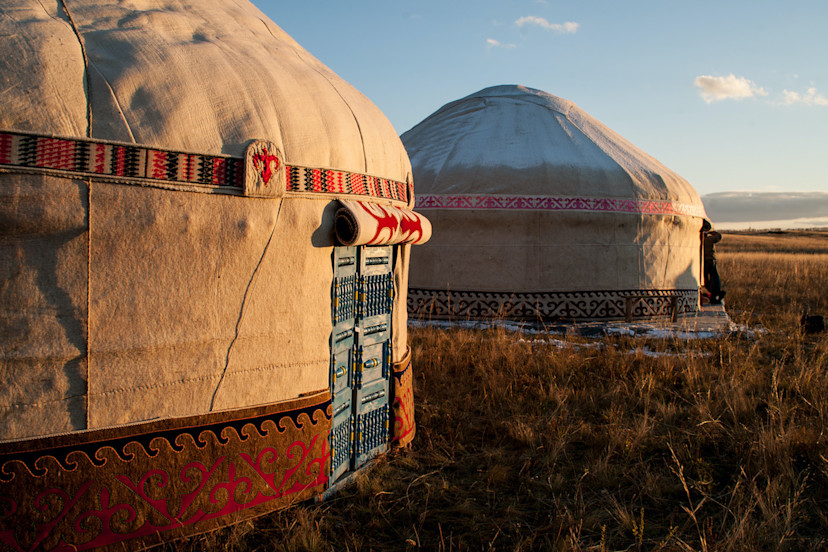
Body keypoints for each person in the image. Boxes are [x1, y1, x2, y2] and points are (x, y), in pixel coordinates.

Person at [702, 220, 725, 305]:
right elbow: (718, 236)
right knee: (714, 278)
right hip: (710, 261)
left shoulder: (699, 240)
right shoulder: (708, 240)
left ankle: (712, 293)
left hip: (703, 262)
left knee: (705, 279)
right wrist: (712, 232)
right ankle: (715, 294)